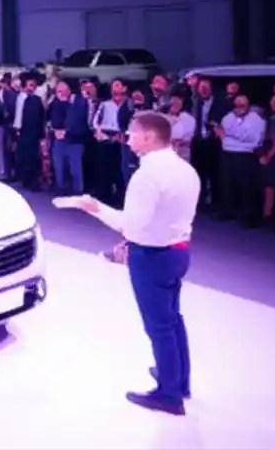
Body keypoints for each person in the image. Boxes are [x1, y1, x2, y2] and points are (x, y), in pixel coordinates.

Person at [62, 112, 198, 416]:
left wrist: (94, 208)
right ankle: (179, 380)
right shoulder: (185, 169)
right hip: (179, 251)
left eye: (132, 133)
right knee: (172, 319)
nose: (127, 137)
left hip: (152, 256)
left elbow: (132, 227)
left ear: (148, 137)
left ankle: (169, 395)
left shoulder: (146, 176)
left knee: (159, 326)